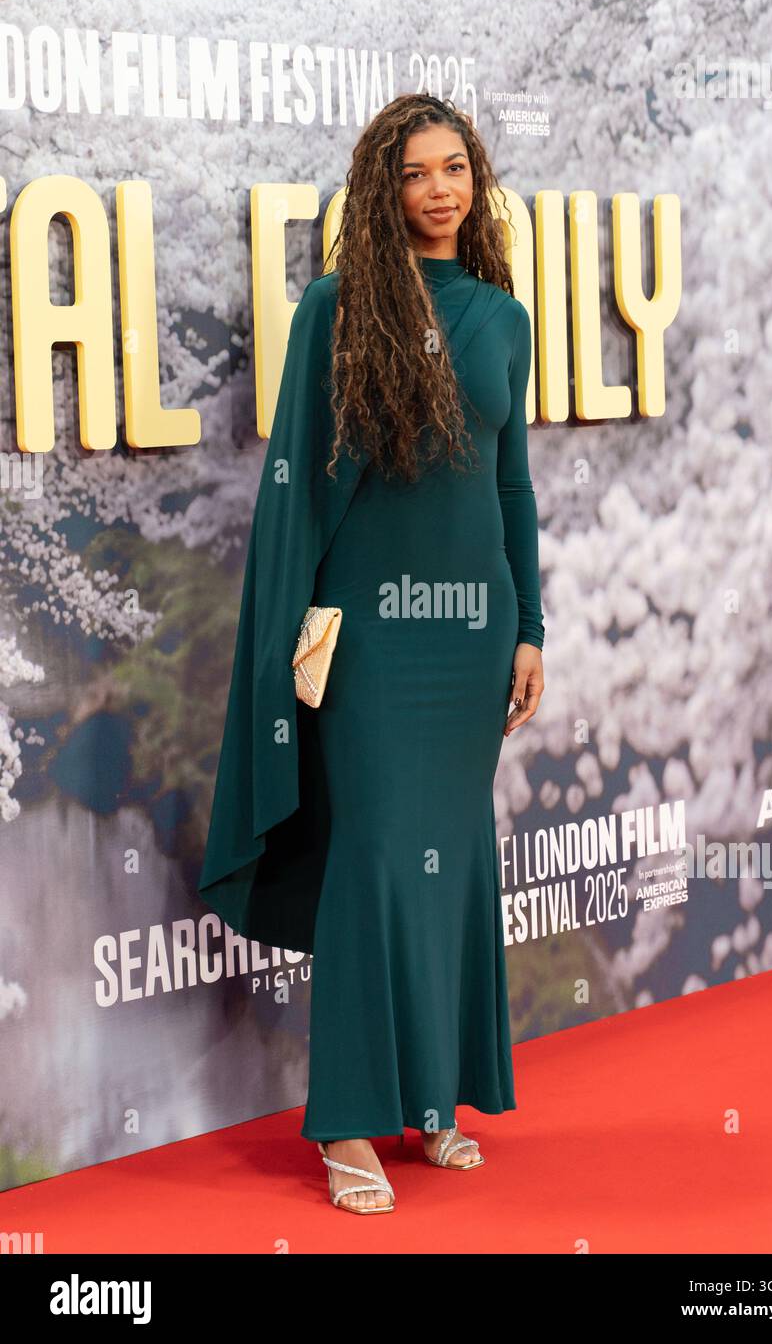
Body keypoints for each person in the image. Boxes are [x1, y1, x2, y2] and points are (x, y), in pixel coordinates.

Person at [198, 93, 545, 1215]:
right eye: (413, 173)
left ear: (474, 183)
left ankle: (434, 1097)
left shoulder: (501, 318)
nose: (438, 189)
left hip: (472, 634)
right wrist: (289, 636)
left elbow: (511, 488)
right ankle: (347, 1118)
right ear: (381, 190)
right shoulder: (333, 310)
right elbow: (295, 486)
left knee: (448, 855)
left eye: (455, 169)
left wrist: (529, 624)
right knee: (376, 854)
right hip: (368, 635)